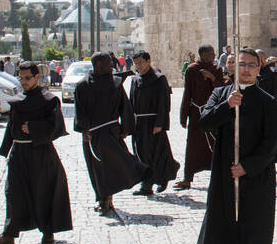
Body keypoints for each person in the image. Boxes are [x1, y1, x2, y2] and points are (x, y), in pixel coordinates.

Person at [190, 48, 277, 244]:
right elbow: (206, 122)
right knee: (230, 225)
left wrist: (248, 167)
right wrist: (227, 105)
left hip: (257, 175)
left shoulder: (266, 100)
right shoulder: (221, 94)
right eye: (241, 64)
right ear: (232, 67)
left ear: (259, 68)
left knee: (257, 228)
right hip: (225, 173)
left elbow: (272, 142)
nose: (246, 69)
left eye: (251, 65)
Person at [0, 62, 71, 244]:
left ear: (37, 77)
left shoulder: (49, 100)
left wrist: (34, 128)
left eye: (27, 78)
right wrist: (4, 150)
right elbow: (11, 127)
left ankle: (47, 231)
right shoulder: (18, 99)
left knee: (42, 192)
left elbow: (57, 127)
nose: (24, 82)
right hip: (19, 153)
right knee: (13, 192)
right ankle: (9, 233)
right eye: (21, 78)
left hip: (40, 152)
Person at [74, 52, 145, 217]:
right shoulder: (83, 86)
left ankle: (107, 198)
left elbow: (124, 106)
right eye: (108, 63)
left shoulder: (115, 83)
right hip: (92, 134)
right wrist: (84, 129)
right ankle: (102, 198)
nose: (112, 66)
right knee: (96, 167)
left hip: (112, 132)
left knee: (112, 166)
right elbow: (80, 111)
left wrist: (125, 129)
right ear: (98, 65)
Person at [129, 50, 180, 195]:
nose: (138, 66)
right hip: (139, 123)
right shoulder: (135, 79)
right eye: (136, 63)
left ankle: (156, 180)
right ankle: (148, 182)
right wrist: (129, 123)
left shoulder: (159, 79)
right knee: (140, 153)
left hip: (153, 122)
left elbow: (164, 103)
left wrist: (160, 123)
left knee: (156, 153)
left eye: (140, 62)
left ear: (148, 61)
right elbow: (131, 102)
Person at [176, 45, 226, 190]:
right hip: (196, 113)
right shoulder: (192, 70)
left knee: (215, 144)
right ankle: (187, 178)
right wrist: (183, 116)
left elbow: (221, 90)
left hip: (212, 113)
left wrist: (211, 78)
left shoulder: (217, 70)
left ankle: (219, 176)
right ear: (203, 54)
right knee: (193, 145)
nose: (213, 55)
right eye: (211, 53)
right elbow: (187, 94)